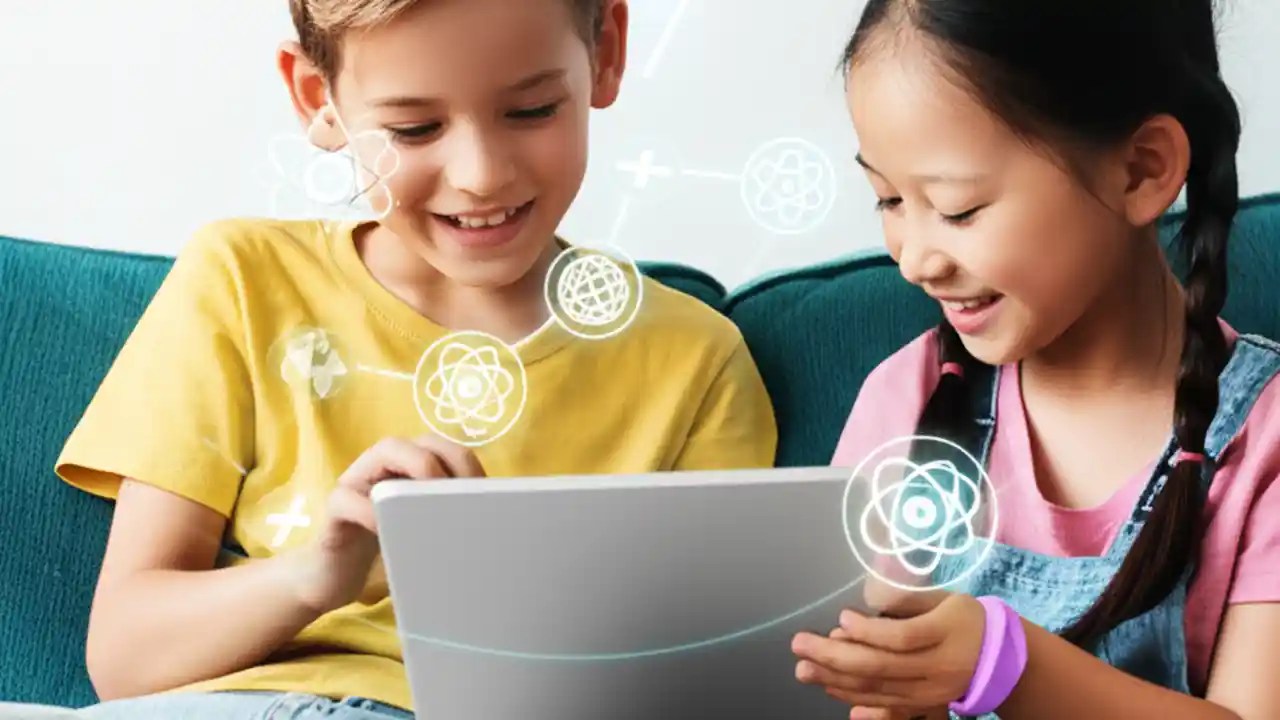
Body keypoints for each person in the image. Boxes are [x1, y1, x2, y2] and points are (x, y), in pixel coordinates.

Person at [54, 0, 778, 718]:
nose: (482, 175)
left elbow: (708, 679)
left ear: (608, 51)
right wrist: (320, 575)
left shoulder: (695, 362)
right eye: (414, 128)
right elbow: (123, 658)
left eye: (530, 110)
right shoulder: (243, 279)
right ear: (317, 97)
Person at [789, 1, 1280, 719]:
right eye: (889, 200)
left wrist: (1003, 664)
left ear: (1142, 171)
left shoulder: (1263, 440)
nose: (915, 259)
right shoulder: (909, 399)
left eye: (958, 210)